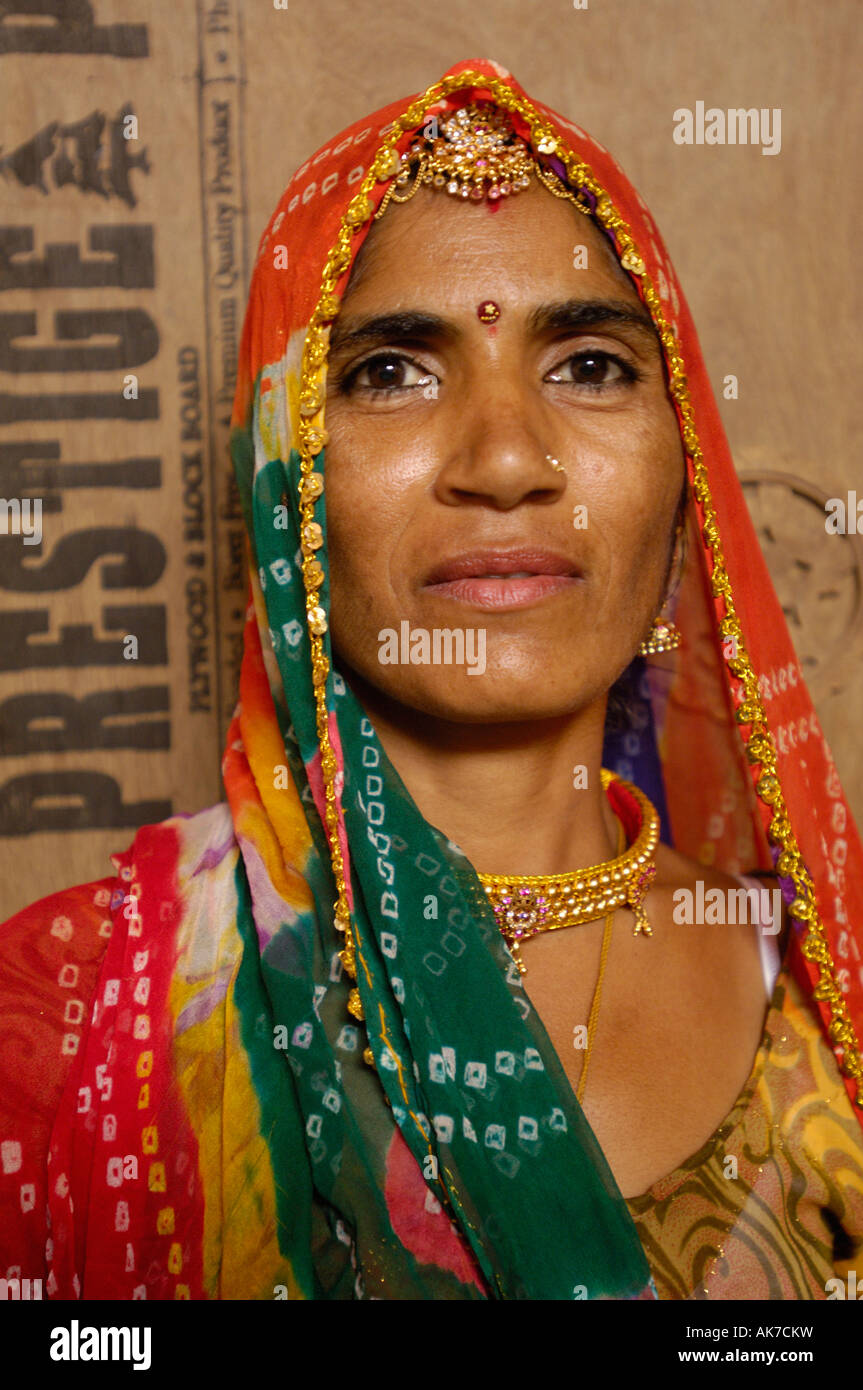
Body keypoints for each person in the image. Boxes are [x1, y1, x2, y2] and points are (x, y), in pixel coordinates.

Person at [1, 58, 862, 1302]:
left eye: (589, 365)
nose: (505, 458)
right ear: (281, 467)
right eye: (389, 371)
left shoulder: (825, 996)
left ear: (687, 480)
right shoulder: (73, 1028)